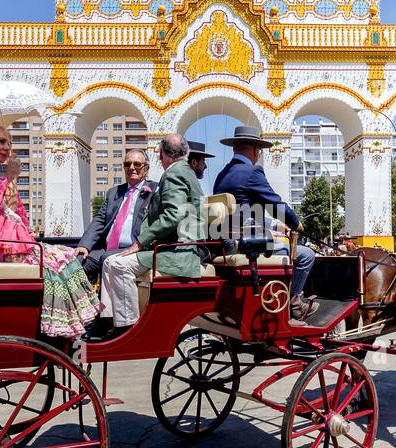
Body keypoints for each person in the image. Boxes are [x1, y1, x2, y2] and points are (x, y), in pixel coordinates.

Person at [0, 123, 101, 338]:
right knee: (55, 262)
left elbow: (9, 214)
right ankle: (59, 328)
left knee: (60, 254)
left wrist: (6, 180)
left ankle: (65, 326)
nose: (7, 148)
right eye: (1, 141)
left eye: (10, 143)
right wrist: (10, 178)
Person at [97, 133, 204, 340]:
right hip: (173, 247)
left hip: (178, 251)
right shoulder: (186, 171)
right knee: (110, 262)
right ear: (186, 152)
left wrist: (140, 242)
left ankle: (128, 329)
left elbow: (174, 214)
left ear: (162, 153)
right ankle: (110, 322)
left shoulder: (174, 174)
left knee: (118, 265)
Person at [212, 124, 316, 320]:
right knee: (306, 255)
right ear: (255, 150)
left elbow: (244, 211)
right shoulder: (252, 172)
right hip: (248, 245)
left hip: (229, 241)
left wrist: (275, 226)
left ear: (235, 148)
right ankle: (294, 304)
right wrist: (296, 223)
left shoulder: (222, 175)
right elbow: (275, 203)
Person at [73, 149, 157, 283]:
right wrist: (85, 245)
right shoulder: (114, 192)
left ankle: (106, 303)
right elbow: (99, 220)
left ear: (146, 169)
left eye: (137, 164)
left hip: (133, 250)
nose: (131, 168)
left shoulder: (155, 191)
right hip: (106, 249)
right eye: (127, 164)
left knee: (108, 259)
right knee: (75, 263)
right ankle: (84, 302)